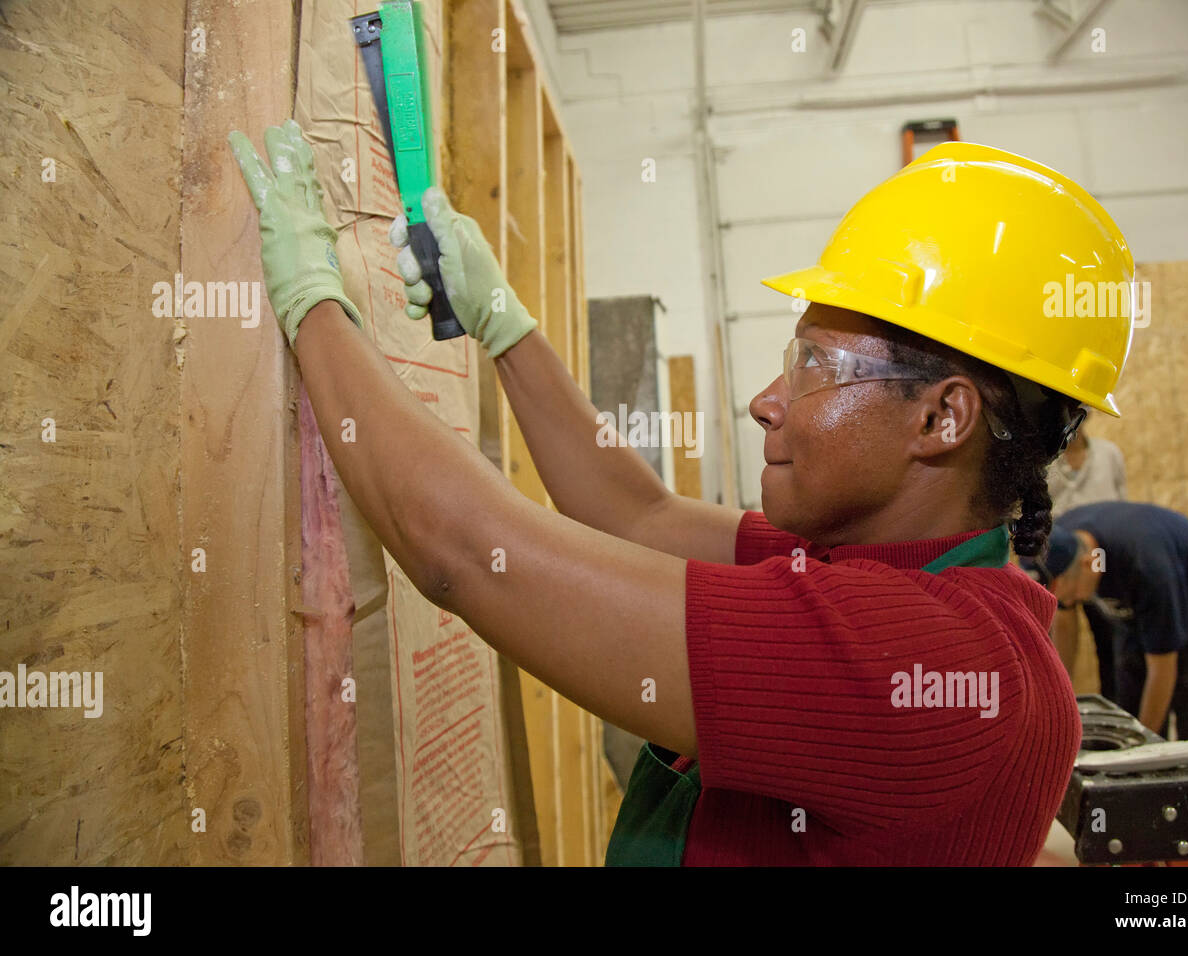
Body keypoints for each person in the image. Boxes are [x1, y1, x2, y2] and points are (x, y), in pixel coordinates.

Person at [228, 123, 1135, 865]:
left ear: (942, 417)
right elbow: (639, 514)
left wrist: (314, 301)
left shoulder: (913, 658)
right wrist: (503, 323)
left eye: (815, 366)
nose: (766, 401)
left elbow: (466, 553)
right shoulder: (888, 575)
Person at [1023, 505, 1188, 770]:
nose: (1067, 602)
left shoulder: (1148, 567)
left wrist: (1141, 757)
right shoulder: (1061, 543)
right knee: (1127, 713)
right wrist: (1059, 701)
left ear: (1090, 564)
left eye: (1068, 594)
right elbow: (1064, 618)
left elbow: (1162, 669)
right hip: (1138, 614)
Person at [1045, 425, 1127, 696]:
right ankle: (1060, 700)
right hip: (1057, 561)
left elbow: (1121, 503)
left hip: (1099, 559)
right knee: (1054, 639)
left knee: (1111, 639)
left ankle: (1115, 705)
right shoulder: (1045, 458)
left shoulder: (1109, 454)